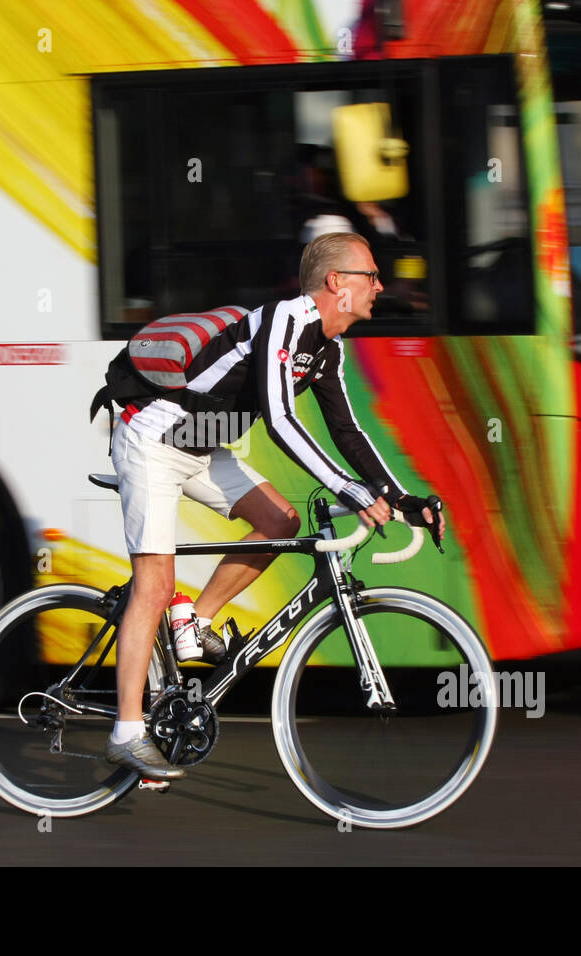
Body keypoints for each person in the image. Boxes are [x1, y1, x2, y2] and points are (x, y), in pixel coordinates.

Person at [102, 232, 446, 779]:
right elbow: (281, 419)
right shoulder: (288, 317)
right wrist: (345, 488)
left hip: (202, 446)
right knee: (155, 584)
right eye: (371, 275)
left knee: (280, 521)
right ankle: (125, 731)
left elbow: (348, 432)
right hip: (151, 439)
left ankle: (194, 624)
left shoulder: (327, 349)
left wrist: (399, 498)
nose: (381, 286)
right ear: (337, 283)